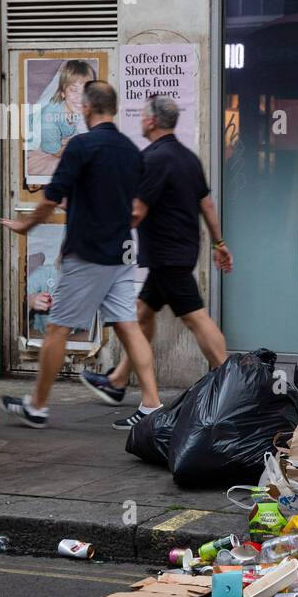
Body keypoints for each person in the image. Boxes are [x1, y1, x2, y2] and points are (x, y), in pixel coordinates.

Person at [0, 81, 163, 431]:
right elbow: (138, 208)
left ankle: (38, 406)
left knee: (57, 329)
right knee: (129, 326)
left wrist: (26, 226)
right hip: (122, 251)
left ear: (87, 108)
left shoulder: (82, 146)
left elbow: (51, 197)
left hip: (88, 254)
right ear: (114, 109)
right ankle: (152, 405)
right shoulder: (131, 150)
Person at [81, 95, 233, 407]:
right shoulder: (188, 158)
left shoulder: (154, 158)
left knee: (196, 319)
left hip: (167, 255)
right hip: (178, 251)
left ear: (151, 121)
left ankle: (235, 387)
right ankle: (117, 381)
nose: (140, 120)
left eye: (142, 116)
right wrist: (219, 243)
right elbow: (207, 204)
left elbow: (136, 211)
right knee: (141, 313)